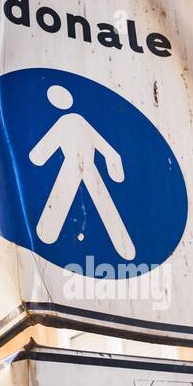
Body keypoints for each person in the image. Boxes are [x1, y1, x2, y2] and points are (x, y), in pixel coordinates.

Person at [29, 84, 136, 260]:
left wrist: (38, 157)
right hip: (80, 166)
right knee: (104, 204)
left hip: (80, 166)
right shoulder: (74, 121)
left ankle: (47, 234)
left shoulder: (70, 121)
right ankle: (125, 248)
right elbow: (107, 149)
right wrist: (115, 168)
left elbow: (40, 153)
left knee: (67, 202)